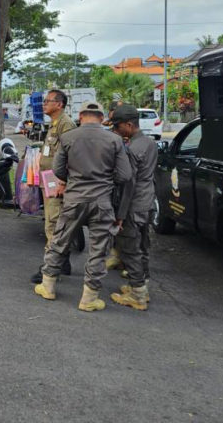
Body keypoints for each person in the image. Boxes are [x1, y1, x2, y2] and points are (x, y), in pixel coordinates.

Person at [34, 101, 133, 312]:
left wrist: (74, 179)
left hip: (74, 199)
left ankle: (48, 286)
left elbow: (58, 170)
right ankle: (89, 298)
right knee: (98, 249)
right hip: (102, 201)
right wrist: (105, 180)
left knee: (60, 240)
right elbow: (125, 175)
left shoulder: (69, 137)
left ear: (80, 116)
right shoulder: (115, 140)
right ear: (102, 118)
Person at [110, 104, 158, 310]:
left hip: (134, 205)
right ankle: (141, 287)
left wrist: (120, 214)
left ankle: (137, 295)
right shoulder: (149, 143)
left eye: (118, 126)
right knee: (143, 246)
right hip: (148, 201)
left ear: (129, 125)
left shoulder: (132, 150)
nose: (116, 130)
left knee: (130, 249)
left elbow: (128, 184)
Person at [29, 90, 77, 284]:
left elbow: (70, 156)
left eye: (48, 101)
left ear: (59, 104)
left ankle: (50, 269)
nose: (44, 104)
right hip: (49, 180)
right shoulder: (55, 124)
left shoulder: (66, 124)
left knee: (54, 225)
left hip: (57, 183)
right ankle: (62, 263)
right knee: (53, 222)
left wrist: (63, 182)